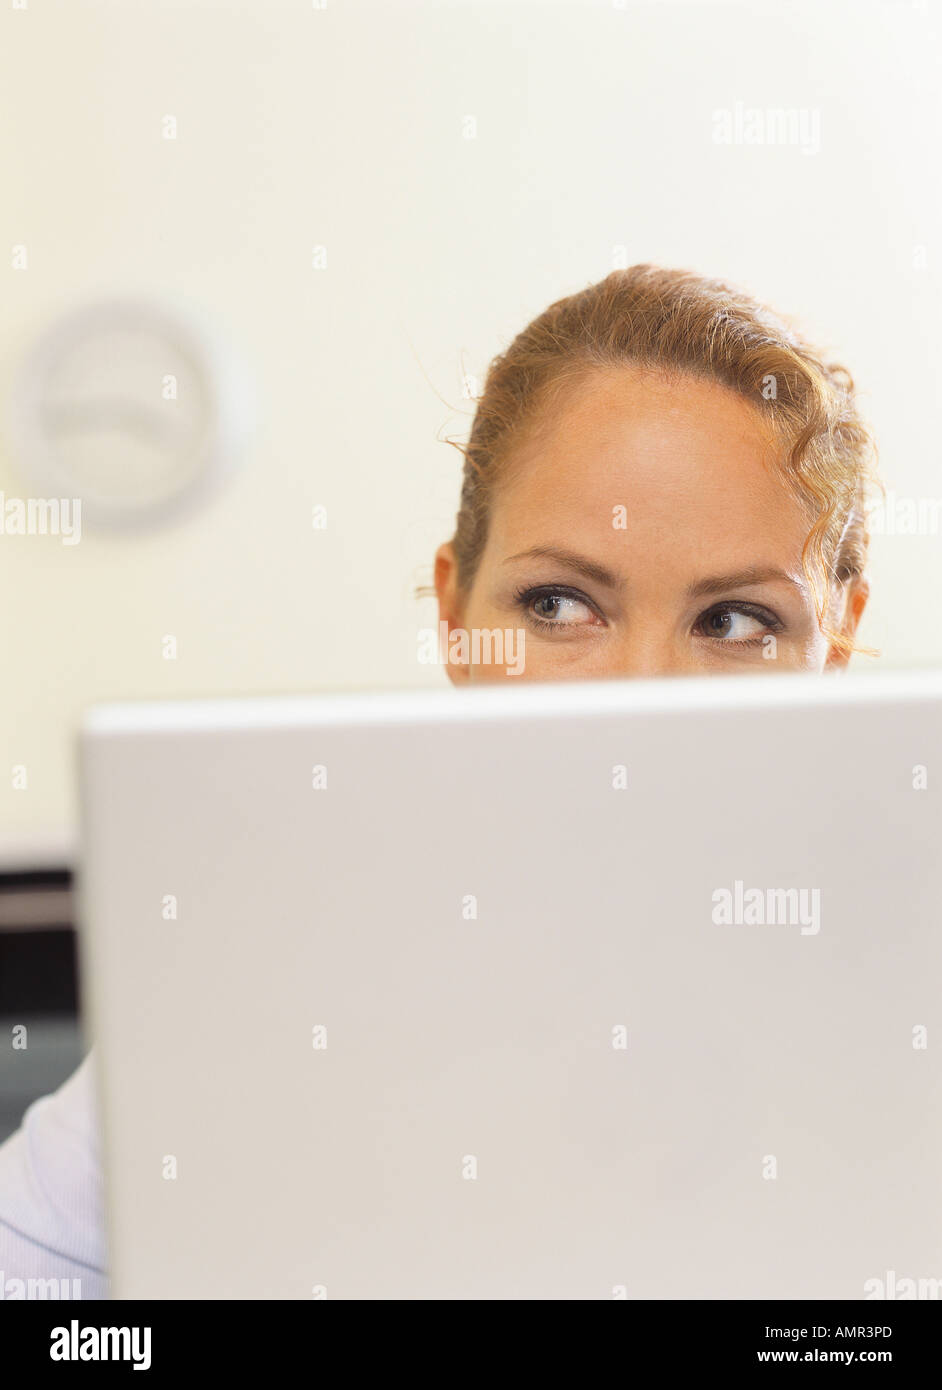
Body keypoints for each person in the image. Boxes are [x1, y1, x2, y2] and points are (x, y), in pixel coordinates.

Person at [0, 265, 877, 1298]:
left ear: (838, 642)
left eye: (734, 621)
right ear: (457, 620)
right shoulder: (260, 990)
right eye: (558, 604)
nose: (642, 699)